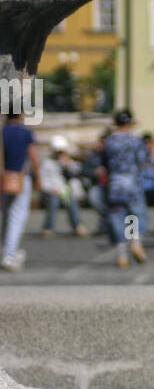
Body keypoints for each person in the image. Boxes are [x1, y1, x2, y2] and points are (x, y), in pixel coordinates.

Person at [102, 109, 148, 267]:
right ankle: (135, 242)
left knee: (117, 217)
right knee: (134, 215)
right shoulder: (136, 140)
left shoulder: (109, 141)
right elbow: (142, 161)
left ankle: (122, 253)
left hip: (115, 182)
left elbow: (104, 163)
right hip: (132, 181)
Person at [1, 112, 40, 271]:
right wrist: (38, 177)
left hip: (4, 178)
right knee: (18, 215)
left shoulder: (2, 131)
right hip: (20, 177)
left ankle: (6, 249)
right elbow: (33, 157)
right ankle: (9, 253)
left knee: (6, 214)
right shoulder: (26, 132)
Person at [40, 135, 88, 237]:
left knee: (71, 202)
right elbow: (44, 180)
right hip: (52, 190)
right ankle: (48, 227)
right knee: (53, 202)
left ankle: (77, 225)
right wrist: (51, 190)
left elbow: (77, 172)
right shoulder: (47, 162)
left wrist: (68, 165)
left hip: (65, 190)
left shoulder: (68, 161)